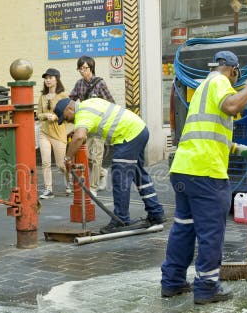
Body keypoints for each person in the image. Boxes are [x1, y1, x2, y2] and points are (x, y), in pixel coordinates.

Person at [159, 51, 247, 305]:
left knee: (183, 229)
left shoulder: (201, 88)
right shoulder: (220, 82)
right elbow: (231, 106)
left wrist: (239, 149)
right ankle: (207, 287)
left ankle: (172, 283)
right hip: (206, 172)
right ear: (232, 70)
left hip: (184, 169)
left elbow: (208, 132)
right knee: (211, 231)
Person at [54, 97, 165, 233]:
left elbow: (79, 137)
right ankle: (156, 213)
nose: (67, 121)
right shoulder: (88, 103)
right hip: (139, 130)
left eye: (65, 117)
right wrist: (79, 131)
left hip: (128, 136)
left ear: (69, 109)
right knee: (139, 175)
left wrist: (68, 158)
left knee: (120, 177)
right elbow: (95, 125)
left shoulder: (82, 113)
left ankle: (121, 219)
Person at [68, 56, 112, 196]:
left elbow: (110, 102)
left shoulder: (100, 83)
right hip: (85, 124)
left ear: (91, 68)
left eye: (85, 68)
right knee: (88, 157)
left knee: (96, 155)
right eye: (80, 69)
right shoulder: (79, 84)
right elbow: (71, 100)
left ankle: (93, 187)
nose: (82, 71)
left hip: (99, 124)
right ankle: (102, 173)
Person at [37, 68, 70, 199]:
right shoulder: (42, 96)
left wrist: (56, 117)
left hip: (58, 132)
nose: (47, 80)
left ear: (57, 79)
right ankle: (48, 189)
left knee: (61, 164)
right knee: (45, 162)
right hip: (44, 132)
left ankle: (69, 182)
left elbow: (67, 115)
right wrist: (45, 115)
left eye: (50, 77)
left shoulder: (63, 96)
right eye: (46, 78)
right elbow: (38, 114)